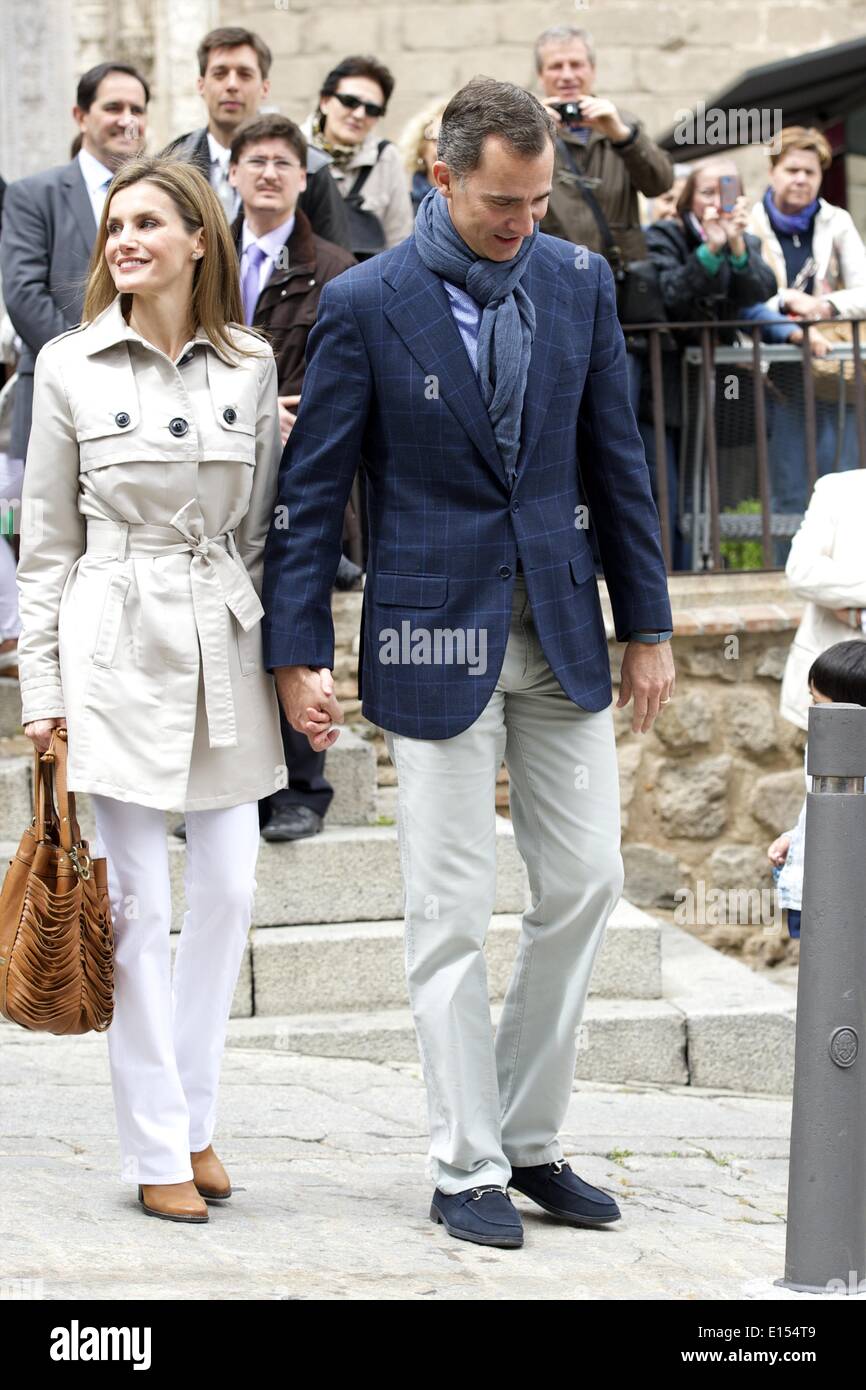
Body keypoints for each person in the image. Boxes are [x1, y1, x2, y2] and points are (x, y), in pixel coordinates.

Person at [262, 77, 674, 1249]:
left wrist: (644, 623)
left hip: (560, 629)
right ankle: (464, 1163)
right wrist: (298, 654)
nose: (523, 222)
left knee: (587, 880)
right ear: (441, 178)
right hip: (426, 636)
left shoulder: (577, 281)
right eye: (503, 201)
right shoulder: (365, 300)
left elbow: (619, 465)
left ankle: (528, 1138)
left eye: (540, 199)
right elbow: (312, 489)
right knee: (447, 910)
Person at [15, 156, 284, 1224]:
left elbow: (261, 532)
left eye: (146, 223)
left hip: (221, 637)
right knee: (137, 906)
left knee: (228, 886)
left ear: (198, 239)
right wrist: (44, 694)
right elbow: (44, 547)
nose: (123, 238)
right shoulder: (69, 363)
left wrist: (279, 656)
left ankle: (196, 1113)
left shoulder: (250, 364)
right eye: (114, 224)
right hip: (112, 641)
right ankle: (158, 1144)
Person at [0, 61, 149, 467]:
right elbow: (23, 293)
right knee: (36, 524)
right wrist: (91, 361)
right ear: (80, 116)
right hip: (55, 393)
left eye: (137, 110)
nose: (127, 120)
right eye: (113, 107)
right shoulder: (33, 195)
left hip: (148, 398)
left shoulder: (161, 197)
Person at [643, 158, 778, 569]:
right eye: (706, 193)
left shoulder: (746, 239)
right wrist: (710, 249)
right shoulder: (665, 234)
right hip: (666, 386)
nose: (716, 202)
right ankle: (669, 575)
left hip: (716, 388)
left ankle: (703, 565)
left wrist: (736, 244)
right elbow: (670, 294)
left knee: (706, 490)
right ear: (687, 199)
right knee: (665, 490)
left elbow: (760, 289)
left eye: (726, 192)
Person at [746, 127, 866, 555]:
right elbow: (748, 296)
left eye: (810, 172)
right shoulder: (751, 222)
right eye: (792, 169)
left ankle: (848, 574)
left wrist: (824, 306)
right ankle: (785, 574)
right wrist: (784, 301)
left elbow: (863, 289)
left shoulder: (837, 221)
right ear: (773, 171)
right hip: (778, 374)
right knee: (788, 484)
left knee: (844, 481)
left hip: (838, 370)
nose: (801, 179)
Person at [162, 25, 351, 251]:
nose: (232, 85)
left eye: (245, 74)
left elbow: (335, 262)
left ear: (265, 87)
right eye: (220, 74)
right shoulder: (174, 166)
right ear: (201, 85)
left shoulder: (309, 166)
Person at [768, 640, 866, 938]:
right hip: (811, 887)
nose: (809, 709)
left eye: (817, 701)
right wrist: (794, 839)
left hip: (845, 896)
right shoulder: (821, 747)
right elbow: (818, 810)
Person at [301, 55, 414, 258]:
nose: (359, 114)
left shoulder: (386, 158)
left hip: (362, 282)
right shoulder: (293, 150)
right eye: (350, 102)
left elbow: (399, 241)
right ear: (325, 101)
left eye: (372, 109)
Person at [779, 469, 866, 732]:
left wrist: (857, 615)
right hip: (831, 694)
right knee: (821, 771)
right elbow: (802, 573)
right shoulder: (837, 488)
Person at [397, 98, 448, 214]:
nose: (448, 149)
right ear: (421, 147)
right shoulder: (402, 202)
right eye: (438, 140)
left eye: (456, 141)